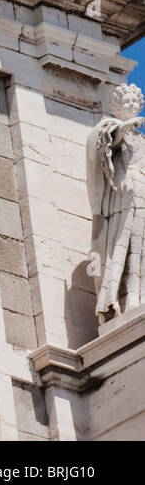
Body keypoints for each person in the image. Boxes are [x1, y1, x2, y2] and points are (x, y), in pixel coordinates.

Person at [87, 83, 145, 322]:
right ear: (117, 106)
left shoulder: (141, 138)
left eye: (135, 102)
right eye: (127, 102)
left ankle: (138, 295)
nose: (131, 106)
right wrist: (124, 128)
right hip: (125, 193)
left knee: (141, 247)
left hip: (142, 190)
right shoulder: (109, 127)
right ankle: (123, 297)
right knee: (126, 243)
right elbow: (105, 142)